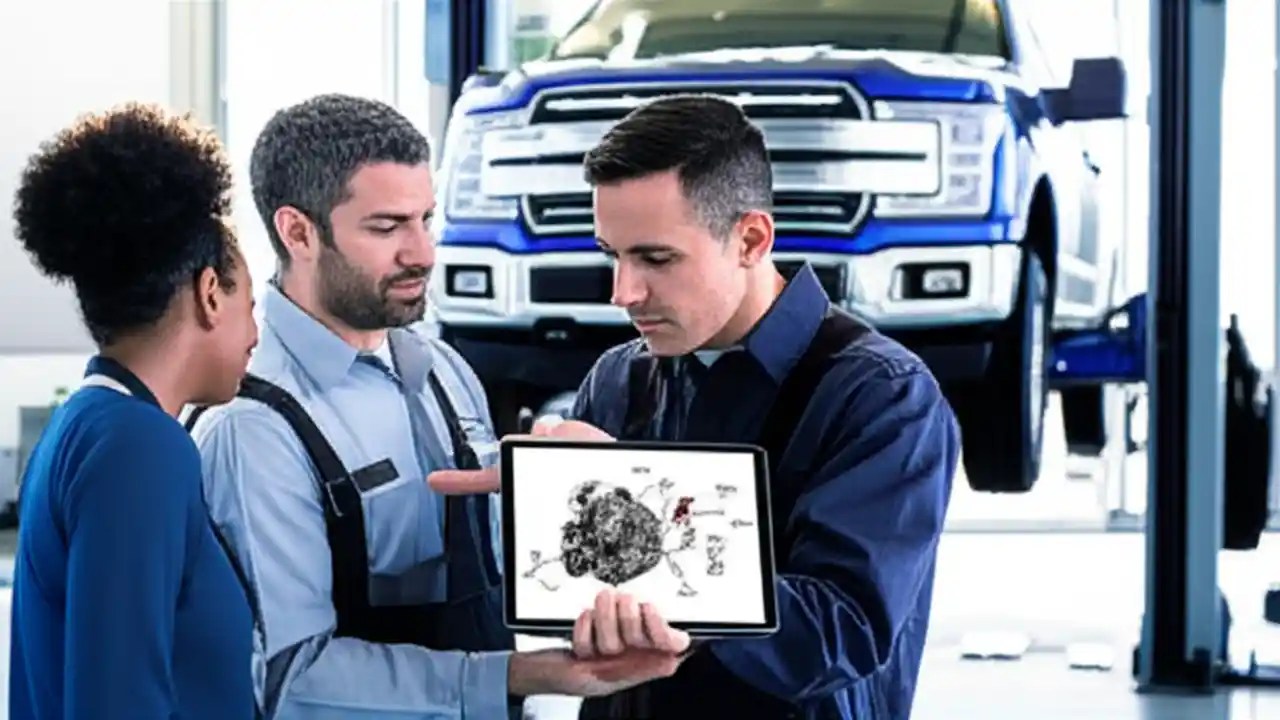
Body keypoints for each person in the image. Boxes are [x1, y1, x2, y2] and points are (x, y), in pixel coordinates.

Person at [430, 95, 962, 719]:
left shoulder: (883, 395)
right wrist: (531, 516)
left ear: (751, 239)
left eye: (656, 259)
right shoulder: (617, 379)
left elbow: (839, 631)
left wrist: (644, 509)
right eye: (613, 254)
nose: (623, 292)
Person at [189, 93, 692, 720]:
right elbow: (291, 681)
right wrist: (516, 676)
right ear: (298, 232)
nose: (422, 252)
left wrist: (578, 497)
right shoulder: (251, 428)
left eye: (427, 219)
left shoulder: (445, 373)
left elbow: (498, 574)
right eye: (387, 227)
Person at [7, 103, 260, 719]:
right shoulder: (139, 448)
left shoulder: (85, 427)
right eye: (250, 305)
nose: (256, 334)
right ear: (208, 295)